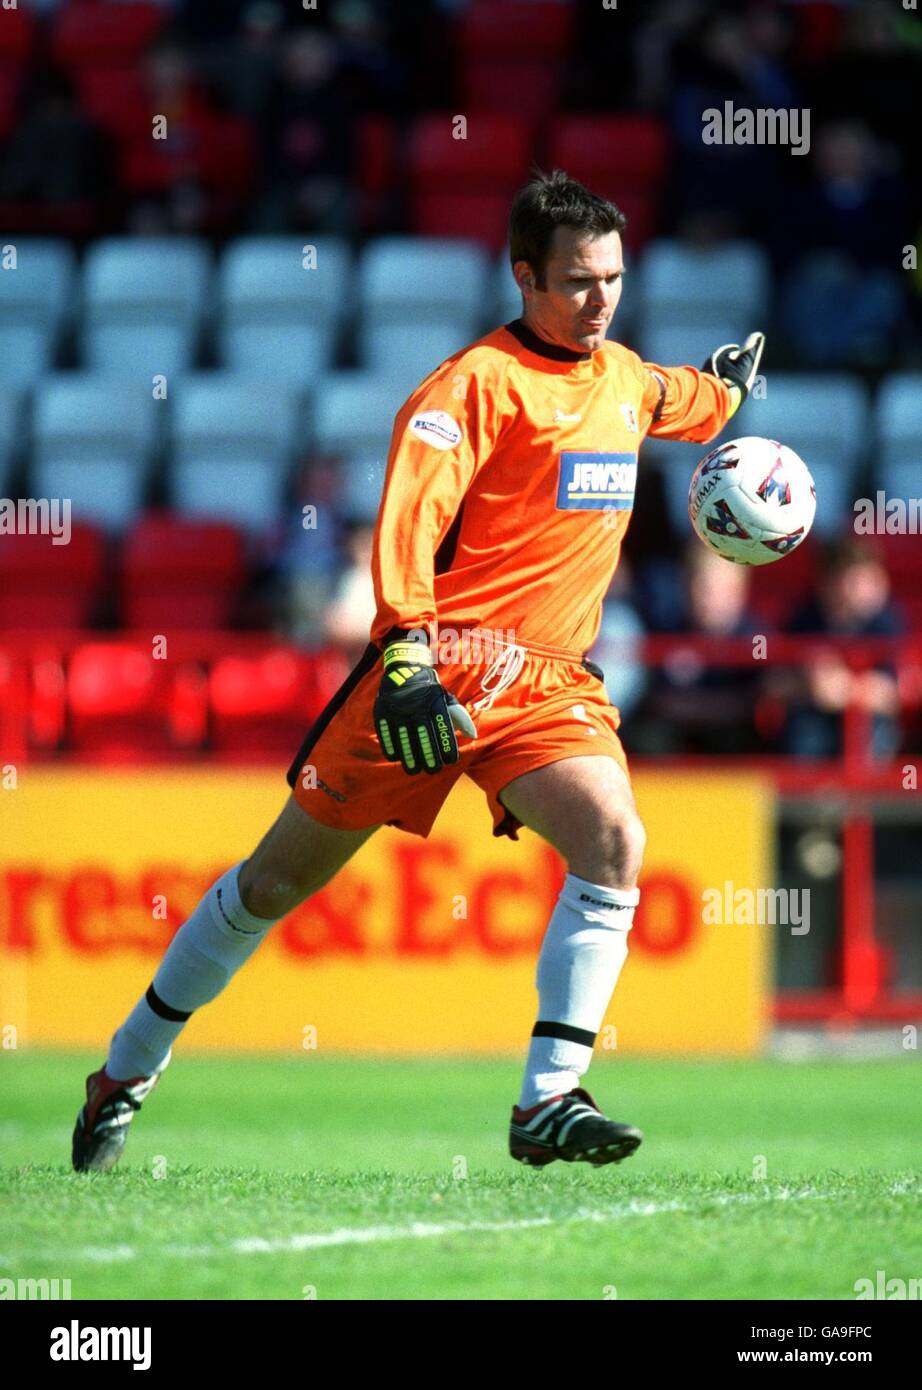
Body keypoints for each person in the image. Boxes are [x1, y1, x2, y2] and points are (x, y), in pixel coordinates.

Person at [72, 170, 763, 1172]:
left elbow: (686, 401)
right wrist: (404, 655)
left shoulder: (626, 380)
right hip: (432, 672)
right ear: (524, 275)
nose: (600, 298)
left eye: (612, 277)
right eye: (576, 280)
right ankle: (127, 1067)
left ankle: (547, 1100)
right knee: (270, 884)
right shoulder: (468, 387)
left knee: (614, 838)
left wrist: (734, 387)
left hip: (546, 686)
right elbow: (410, 521)